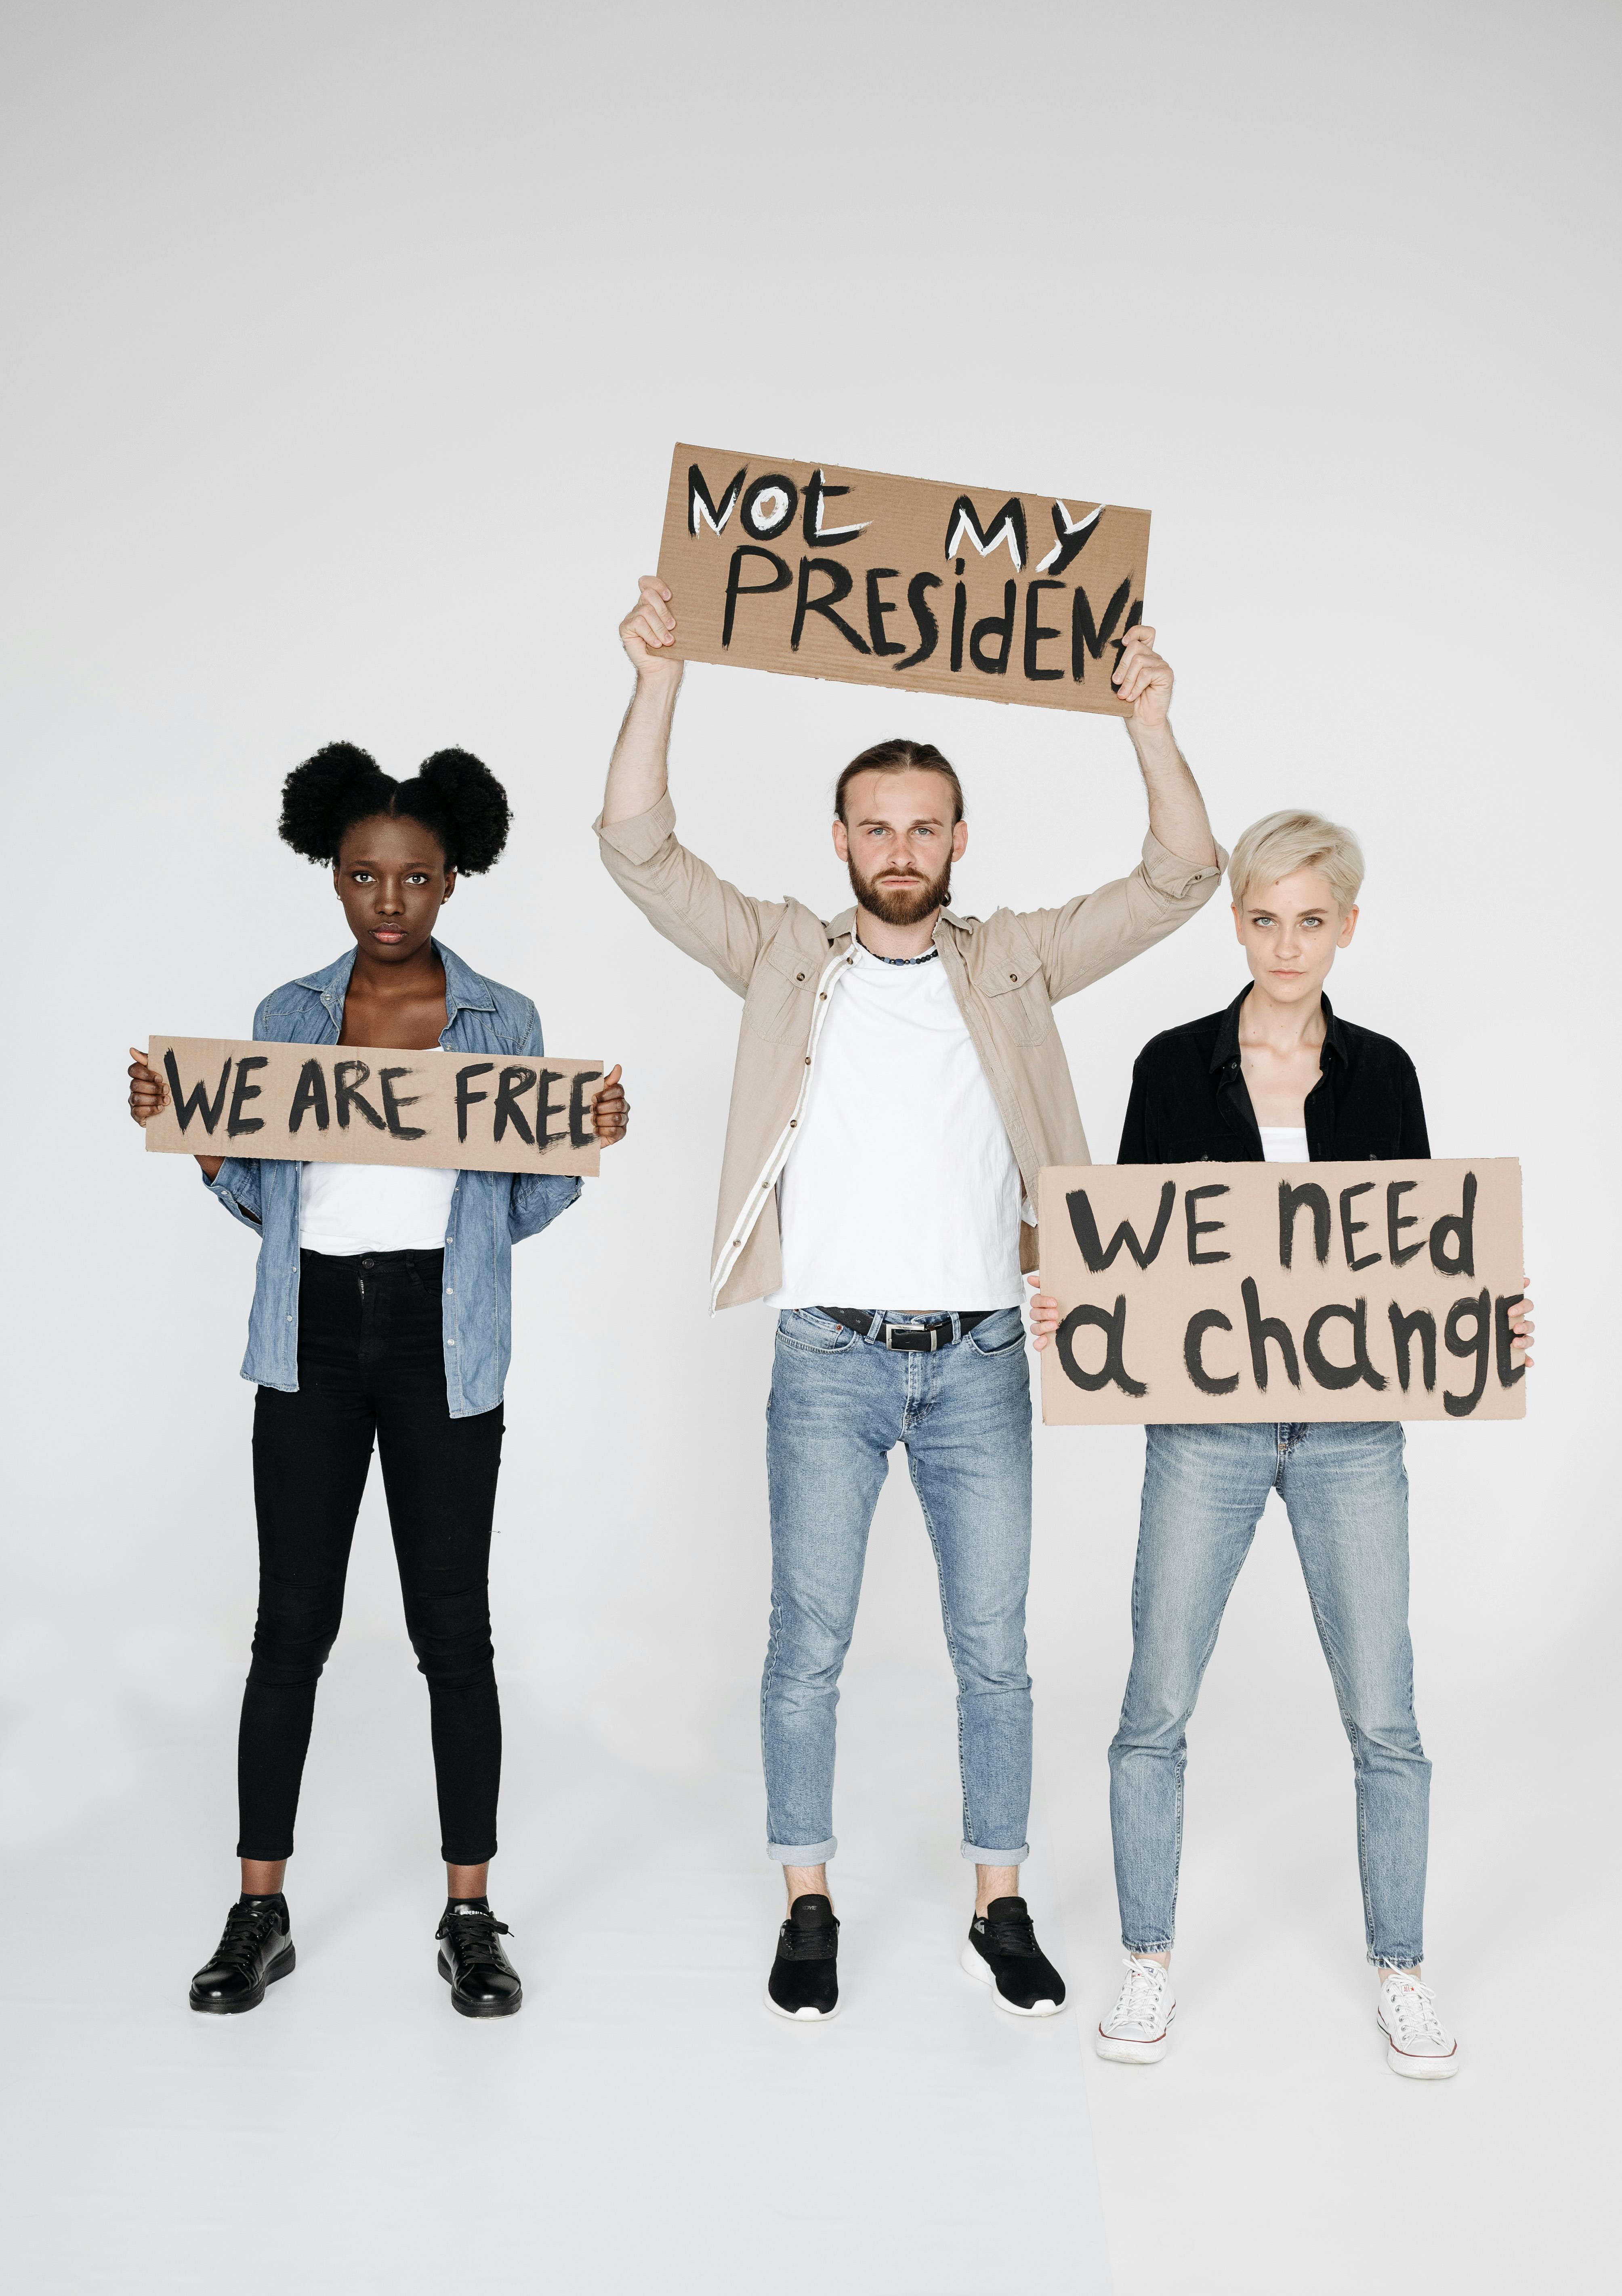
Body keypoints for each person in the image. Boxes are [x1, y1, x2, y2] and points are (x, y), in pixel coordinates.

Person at [599, 574, 1223, 2023]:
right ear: (841, 840)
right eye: (874, 827)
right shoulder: (781, 955)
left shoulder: (1011, 959)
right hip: (827, 1359)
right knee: (805, 1640)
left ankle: (999, 1902)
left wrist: (1150, 720)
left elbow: (1181, 877)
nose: (898, 848)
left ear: (957, 840)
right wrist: (659, 677)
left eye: (923, 825)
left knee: (992, 1649)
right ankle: (808, 1898)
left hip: (987, 1359)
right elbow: (636, 847)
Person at [1030, 808, 1534, 2079]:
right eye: (1266, 916)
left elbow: (1417, 1252)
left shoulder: (1385, 1074)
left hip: (1353, 1436)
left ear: (1347, 928)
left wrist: (1480, 1311)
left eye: (1313, 919)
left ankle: (1402, 1971)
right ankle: (1147, 1961)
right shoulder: (1168, 1066)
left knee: (1385, 1714)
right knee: (1156, 1703)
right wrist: (1076, 1298)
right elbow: (1131, 1249)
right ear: (1236, 921)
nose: (1288, 941)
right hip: (1205, 1430)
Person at [128, 743, 629, 2020]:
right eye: (363, 878)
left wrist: (584, 1143)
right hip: (308, 1333)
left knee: (451, 1631)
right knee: (287, 1627)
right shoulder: (289, 1015)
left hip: (440, 1338)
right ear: (333, 878)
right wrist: (197, 1140)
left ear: (453, 880)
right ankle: (259, 1909)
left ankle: (471, 1913)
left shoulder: (501, 1020)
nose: (388, 902)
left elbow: (523, 1199)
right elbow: (264, 1193)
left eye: (412, 878)